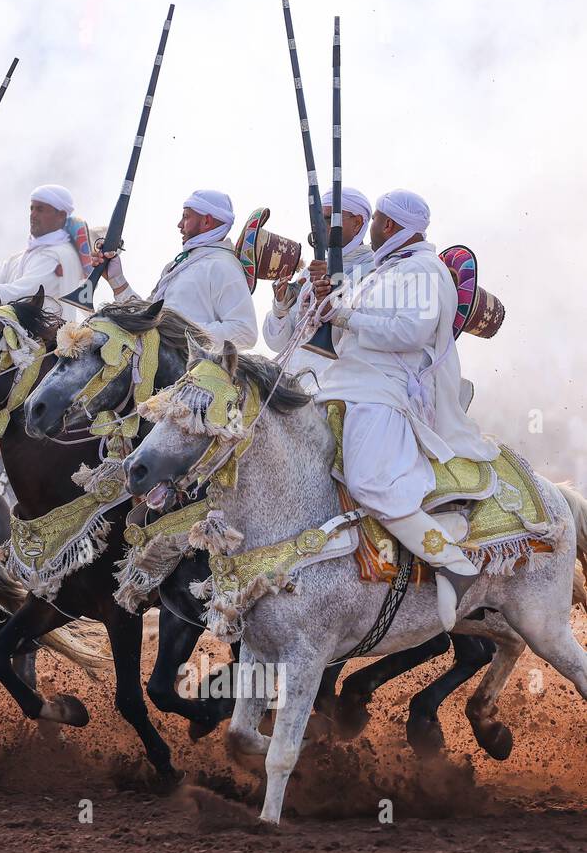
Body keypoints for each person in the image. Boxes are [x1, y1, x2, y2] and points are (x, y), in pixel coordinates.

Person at [310, 188, 499, 630]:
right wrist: (327, 299)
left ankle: (452, 561)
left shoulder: (421, 270)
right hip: (345, 383)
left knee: (370, 482)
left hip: (384, 391)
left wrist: (344, 316)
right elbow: (345, 331)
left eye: (375, 219)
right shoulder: (382, 271)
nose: (373, 228)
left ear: (390, 226)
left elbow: (409, 334)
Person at [100, 189, 258, 349]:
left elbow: (245, 333)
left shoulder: (223, 266)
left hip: (189, 372)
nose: (179, 225)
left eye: (186, 217)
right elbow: (147, 317)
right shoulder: (176, 265)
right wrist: (116, 279)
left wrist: (180, 332)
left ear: (206, 222)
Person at [263, 186, 376, 389]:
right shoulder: (309, 272)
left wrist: (333, 288)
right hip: (289, 380)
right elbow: (278, 344)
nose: (320, 227)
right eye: (318, 220)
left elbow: (368, 328)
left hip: (339, 385)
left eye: (327, 219)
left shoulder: (373, 270)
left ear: (357, 223)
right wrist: (280, 308)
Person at [0, 185, 85, 319]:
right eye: (32, 208)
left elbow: (19, 295)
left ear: (61, 215)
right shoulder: (18, 258)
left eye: (40, 210)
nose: (33, 215)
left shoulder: (58, 256)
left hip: (46, 337)